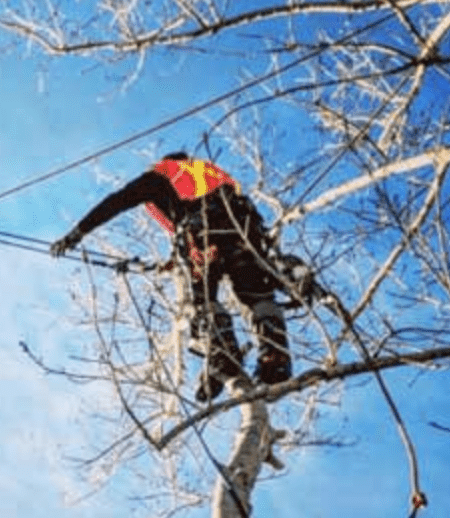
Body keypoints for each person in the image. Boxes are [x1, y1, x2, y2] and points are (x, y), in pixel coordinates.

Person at [50, 152, 294, 402]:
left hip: (201, 233)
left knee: (202, 298)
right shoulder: (204, 171)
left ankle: (224, 352)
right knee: (256, 292)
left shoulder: (159, 175)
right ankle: (274, 356)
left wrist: (78, 232)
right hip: (243, 229)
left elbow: (118, 201)